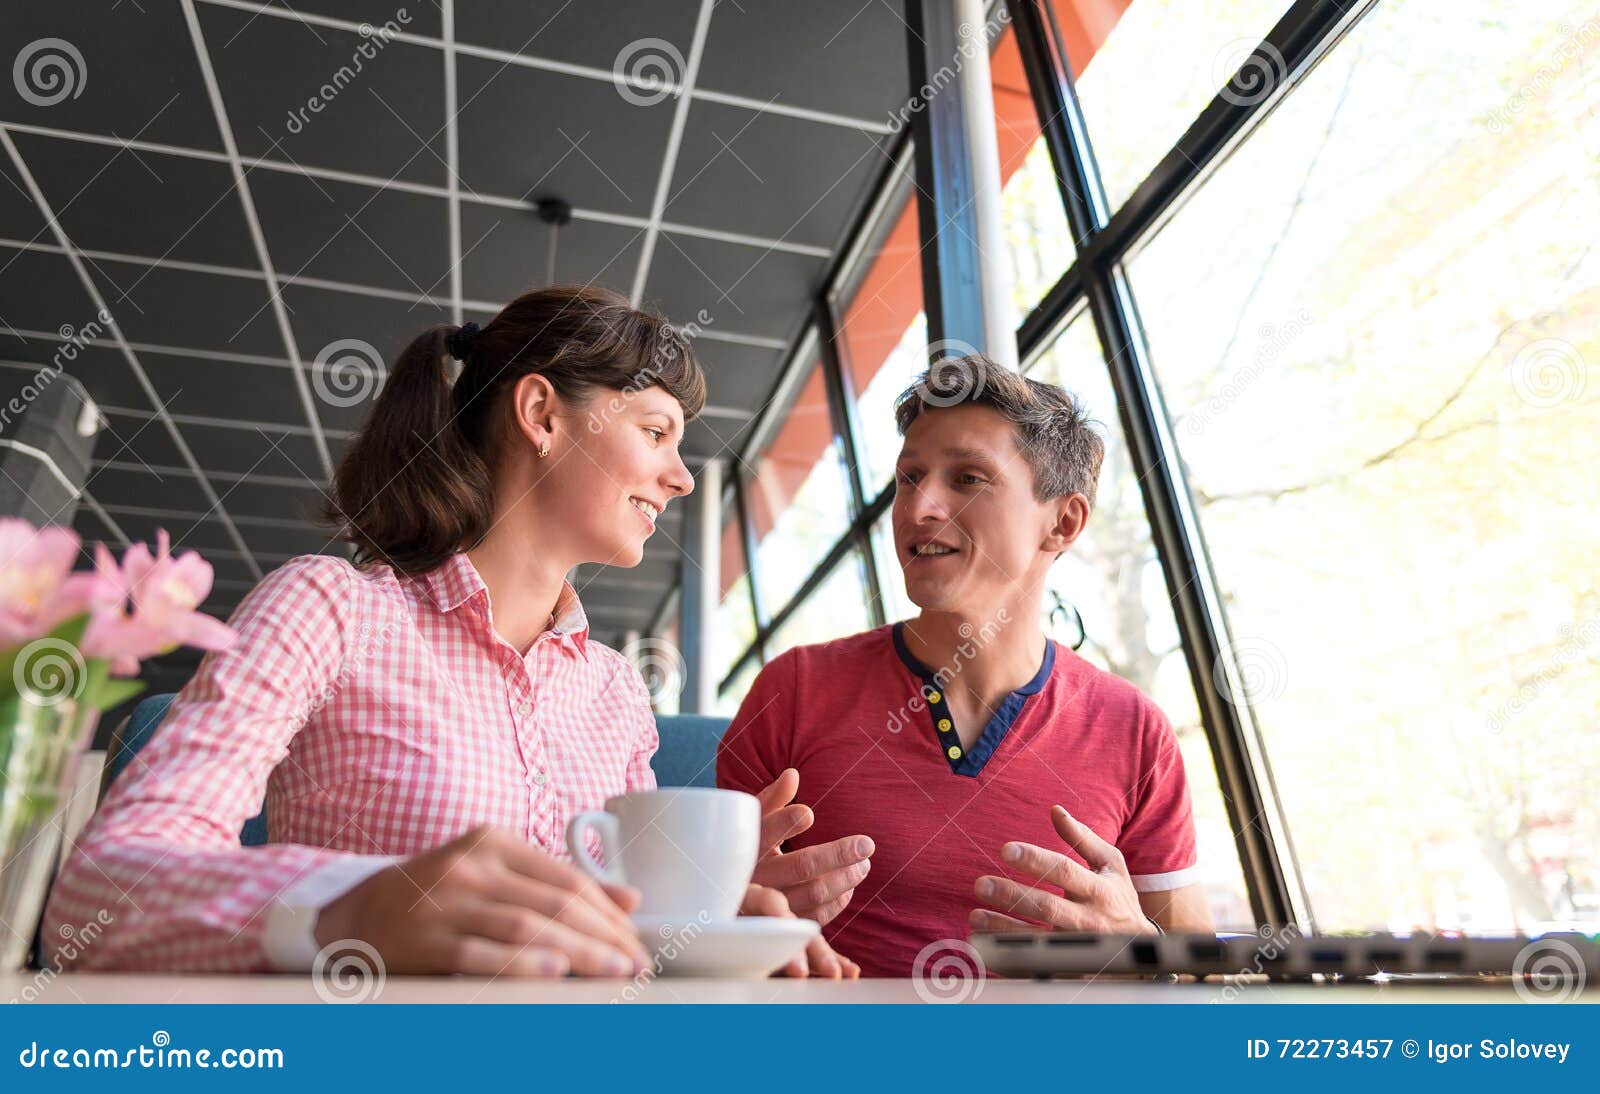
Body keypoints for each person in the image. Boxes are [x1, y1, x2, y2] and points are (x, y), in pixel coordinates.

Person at [46, 285, 858, 978]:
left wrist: (701, 920)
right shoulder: (329, 609)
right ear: (542, 414)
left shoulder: (614, 690)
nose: (682, 477)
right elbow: (100, 895)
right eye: (655, 432)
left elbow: (600, 942)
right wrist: (351, 910)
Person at [717, 356, 1214, 977]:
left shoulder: (1135, 729)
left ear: (1063, 522)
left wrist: (1144, 953)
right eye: (908, 478)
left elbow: (1203, 980)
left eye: (969, 478)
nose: (919, 506)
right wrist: (727, 917)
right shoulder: (794, 691)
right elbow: (689, 934)